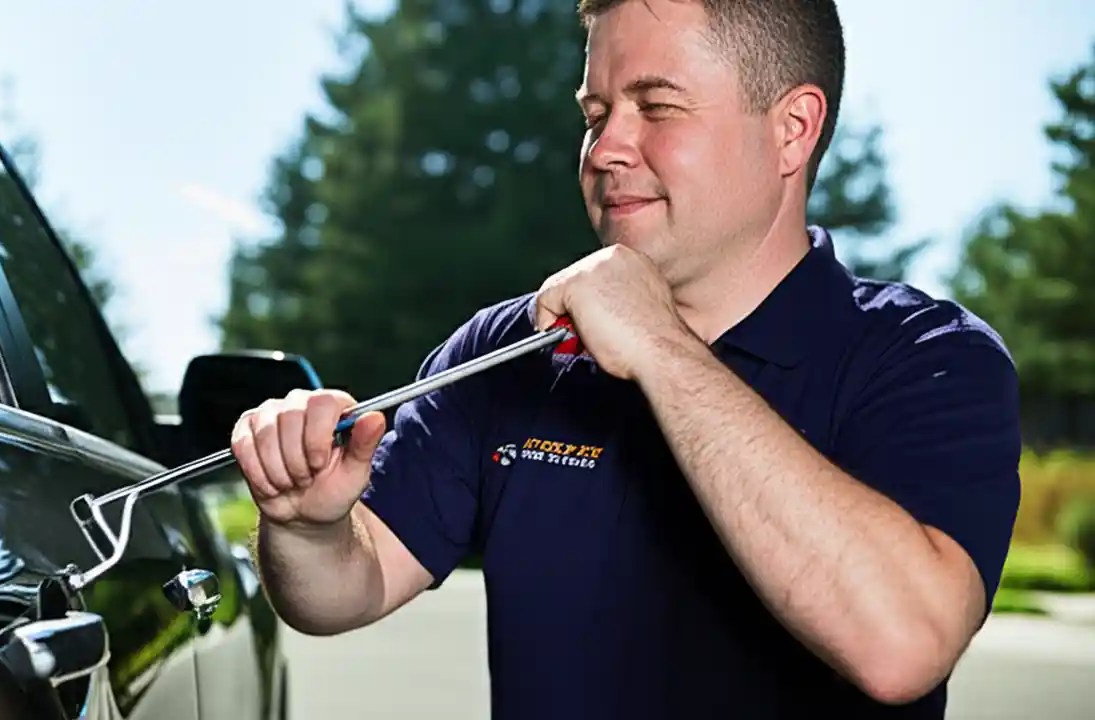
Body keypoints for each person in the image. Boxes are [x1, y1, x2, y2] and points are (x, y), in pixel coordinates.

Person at [229, 1, 1021, 718]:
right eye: (596, 113)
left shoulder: (926, 358)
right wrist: (305, 527)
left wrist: (660, 349)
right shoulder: (509, 352)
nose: (605, 149)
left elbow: (901, 646)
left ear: (792, 128)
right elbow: (343, 590)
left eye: (658, 106)